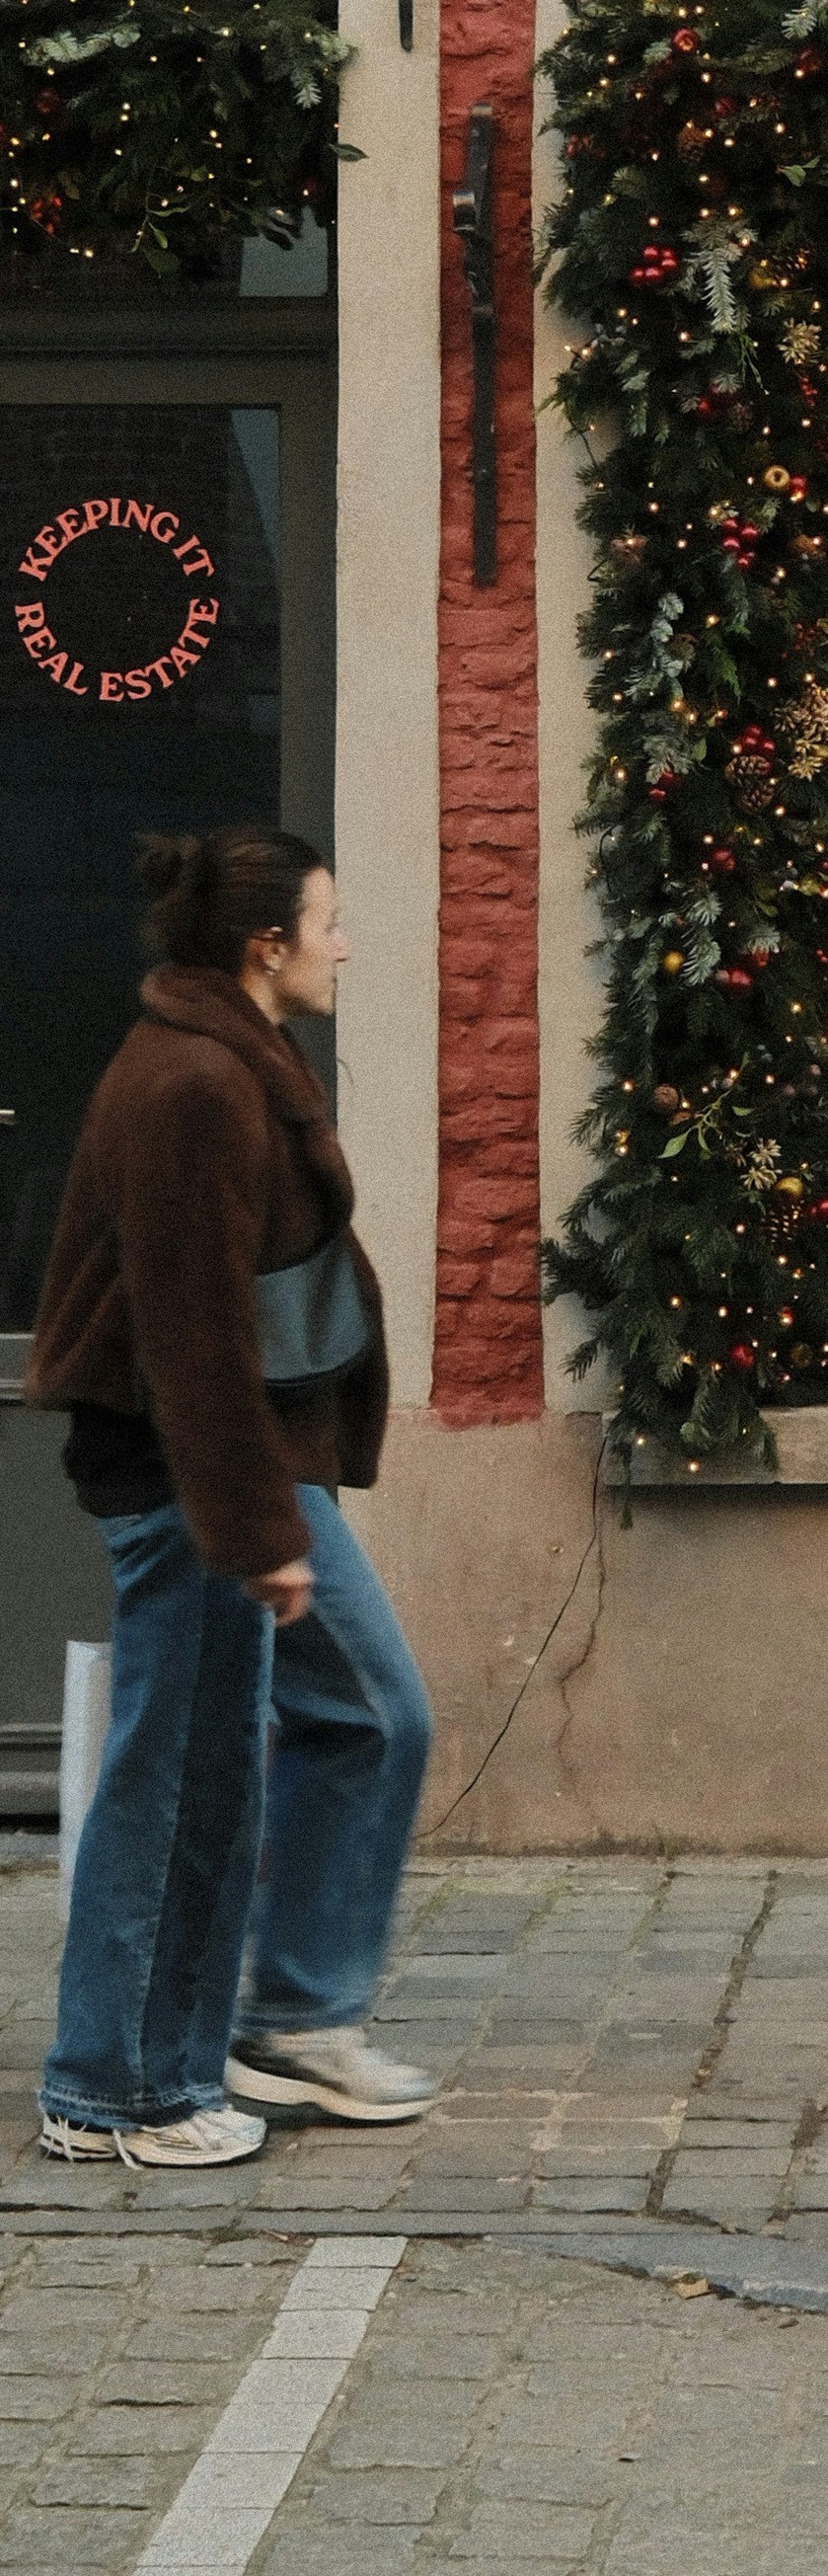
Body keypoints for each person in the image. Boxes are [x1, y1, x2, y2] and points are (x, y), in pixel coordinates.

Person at [28, 828, 437, 2169]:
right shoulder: (197, 1081)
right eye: (332, 919)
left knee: (369, 1709)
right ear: (268, 946)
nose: (347, 941)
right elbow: (191, 1334)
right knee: (186, 1774)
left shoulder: (227, 1056)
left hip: (250, 1457)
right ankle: (119, 2089)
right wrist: (253, 1533)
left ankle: (288, 2024)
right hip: (195, 1469)